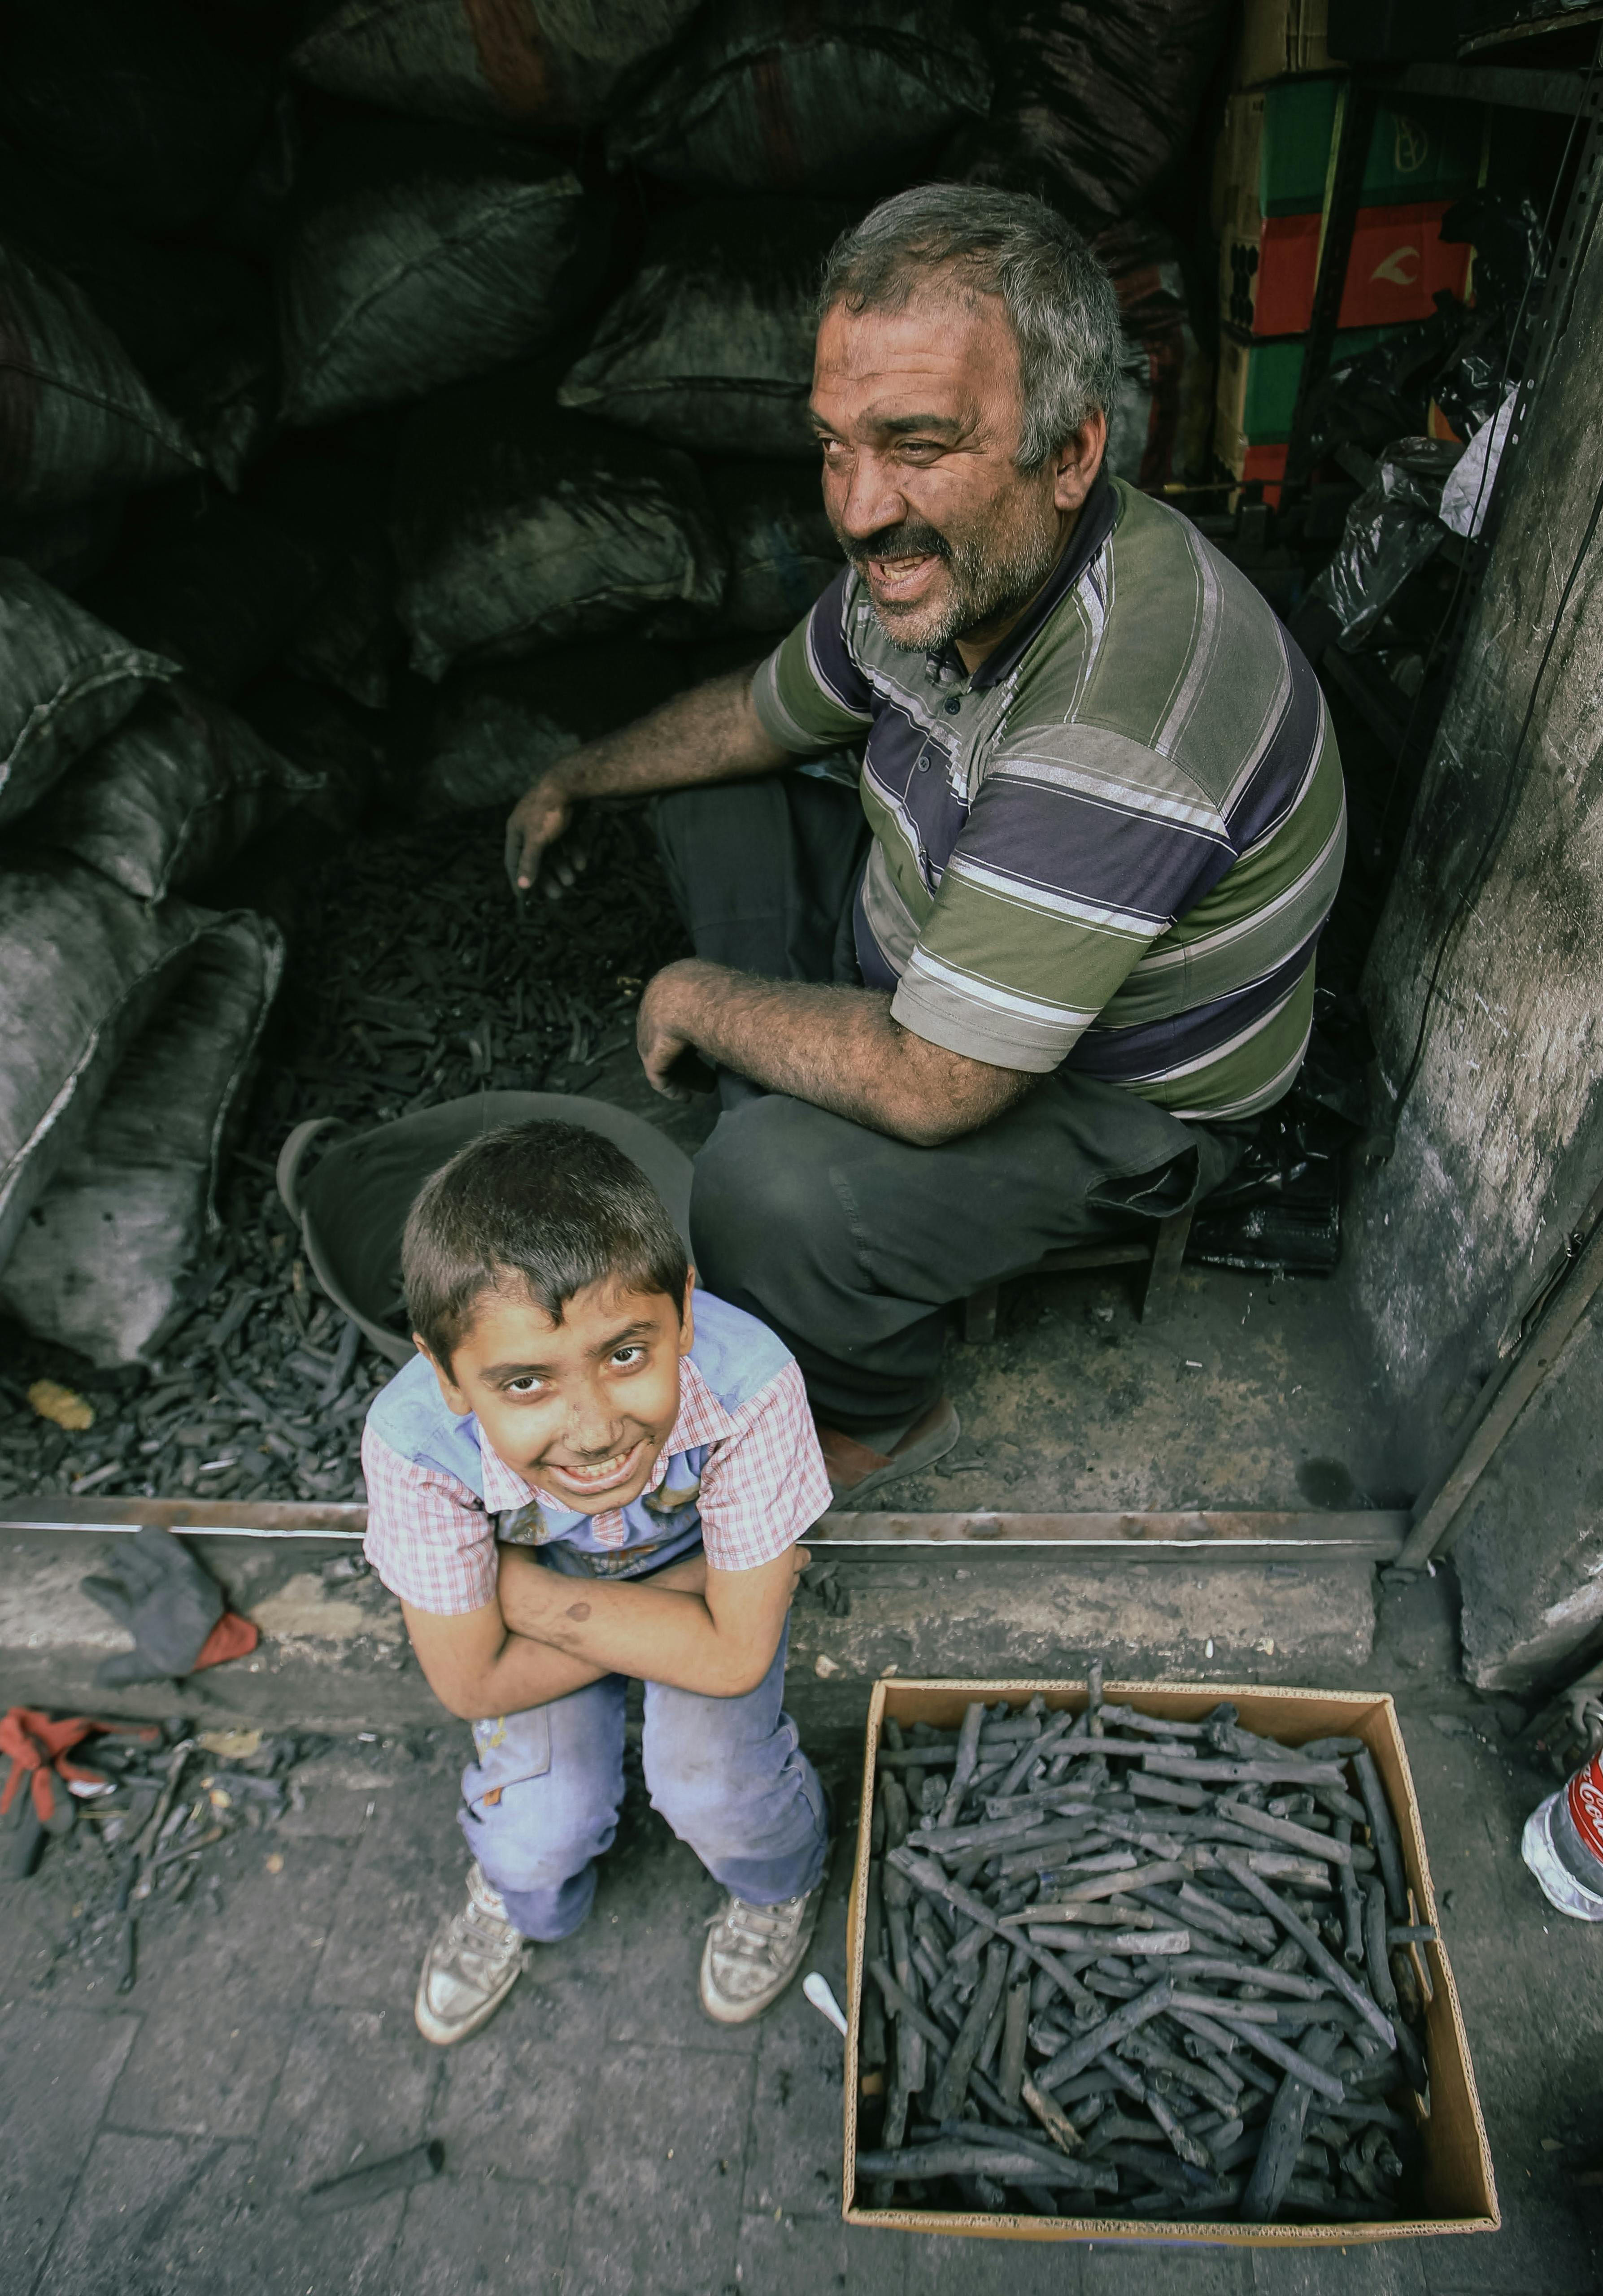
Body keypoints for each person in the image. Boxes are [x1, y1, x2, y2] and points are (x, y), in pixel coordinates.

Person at [505, 185, 1346, 1507]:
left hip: (1110, 1092)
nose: (858, 506)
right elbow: (759, 713)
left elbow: (935, 1085)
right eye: (836, 445)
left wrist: (695, 999)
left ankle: (878, 1411)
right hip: (945, 948)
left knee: (767, 1193)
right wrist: (576, 775)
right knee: (704, 788)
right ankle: (774, 1089)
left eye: (916, 444)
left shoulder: (1114, 732)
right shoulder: (945, 560)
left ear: (1072, 454)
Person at [359, 1119, 832, 2046]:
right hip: (678, 1584)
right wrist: (692, 1603)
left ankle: (781, 1883)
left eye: (626, 1355)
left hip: (543, 1592)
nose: (593, 1427)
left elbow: (735, 1658)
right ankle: (524, 1902)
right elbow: (471, 1683)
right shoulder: (413, 1444)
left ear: (685, 1314)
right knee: (538, 1826)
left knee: (716, 1787)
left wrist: (520, 1597)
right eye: (525, 1383)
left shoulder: (752, 1386)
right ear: (448, 1378)